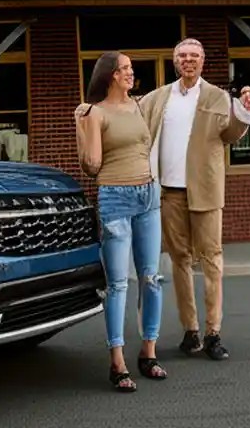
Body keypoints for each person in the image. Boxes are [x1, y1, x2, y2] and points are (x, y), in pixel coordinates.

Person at [138, 37, 250, 362]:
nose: (188, 60)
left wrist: (243, 112)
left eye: (194, 55)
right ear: (175, 61)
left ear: (202, 62)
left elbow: (230, 135)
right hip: (169, 191)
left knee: (211, 259)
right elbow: (134, 124)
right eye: (183, 55)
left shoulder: (218, 96)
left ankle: (213, 332)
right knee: (180, 260)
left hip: (205, 189)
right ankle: (190, 331)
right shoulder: (158, 97)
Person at [75, 51, 166, 393]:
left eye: (130, 68)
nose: (131, 73)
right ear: (112, 74)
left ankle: (149, 352)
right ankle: (117, 361)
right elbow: (92, 165)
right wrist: (82, 128)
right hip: (115, 197)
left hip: (148, 196)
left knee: (152, 278)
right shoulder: (95, 113)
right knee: (118, 284)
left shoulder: (139, 106)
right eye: (126, 68)